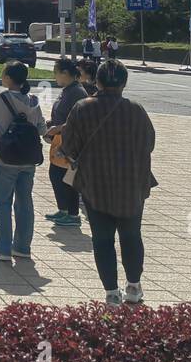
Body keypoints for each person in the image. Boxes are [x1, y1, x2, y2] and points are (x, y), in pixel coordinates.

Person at [59, 60, 156, 305]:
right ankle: (134, 287)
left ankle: (111, 293)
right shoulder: (136, 110)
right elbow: (149, 144)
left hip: (95, 184)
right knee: (132, 235)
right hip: (131, 184)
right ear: (124, 83)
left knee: (102, 239)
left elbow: (69, 147)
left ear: (97, 81)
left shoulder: (82, 108)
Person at [0, 61, 45, 262]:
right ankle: (22, 247)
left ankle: (3, 248)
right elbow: (42, 128)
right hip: (29, 160)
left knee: (3, 203)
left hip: (6, 160)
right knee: (25, 203)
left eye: (4, 74)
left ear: (9, 78)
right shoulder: (33, 100)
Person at [42, 57, 87, 227]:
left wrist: (57, 128)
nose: (55, 77)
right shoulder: (68, 89)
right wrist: (51, 125)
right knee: (56, 175)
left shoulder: (77, 92)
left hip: (70, 141)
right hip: (60, 139)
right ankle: (64, 210)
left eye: (56, 73)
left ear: (66, 73)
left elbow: (78, 120)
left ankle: (72, 214)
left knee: (65, 177)